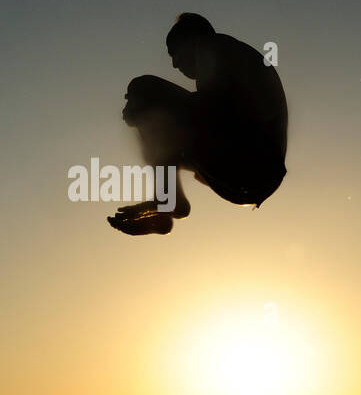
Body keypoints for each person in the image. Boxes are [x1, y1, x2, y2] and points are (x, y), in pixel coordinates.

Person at [109, 13, 288, 235]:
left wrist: (143, 108)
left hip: (251, 161)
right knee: (160, 128)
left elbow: (214, 108)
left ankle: (168, 200)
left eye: (174, 51)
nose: (174, 64)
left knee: (143, 87)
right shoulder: (232, 60)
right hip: (253, 177)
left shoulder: (212, 46)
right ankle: (168, 202)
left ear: (192, 39)